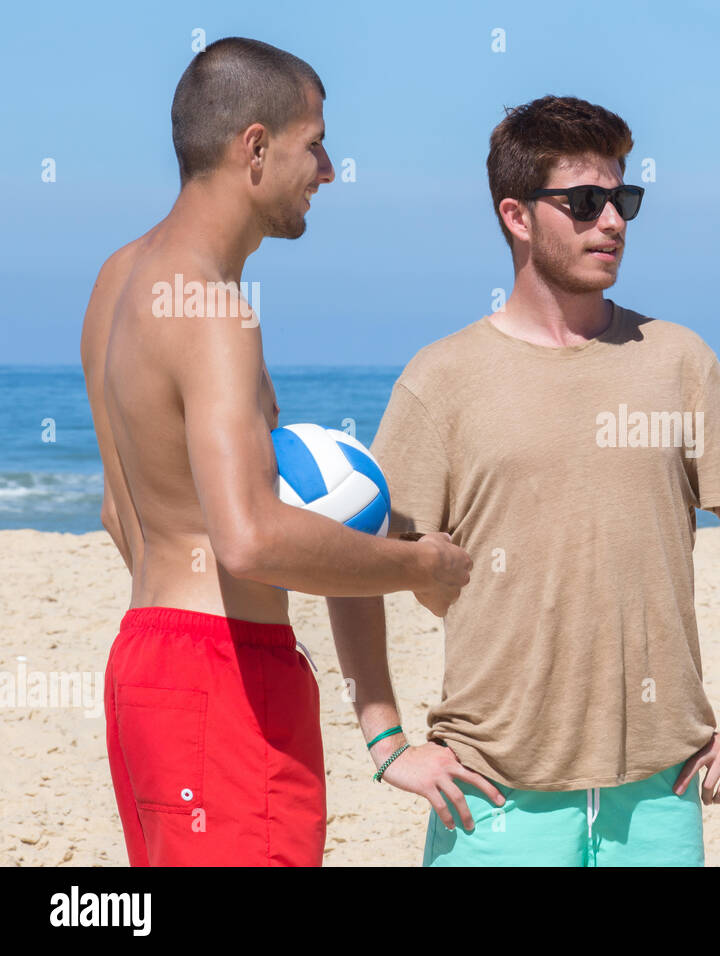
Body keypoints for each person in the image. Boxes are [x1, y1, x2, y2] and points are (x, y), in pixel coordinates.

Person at [327, 95, 720, 866]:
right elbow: (356, 569)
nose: (611, 221)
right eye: (584, 202)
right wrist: (385, 740)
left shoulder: (678, 360)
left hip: (659, 790)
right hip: (491, 795)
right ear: (516, 215)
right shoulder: (440, 380)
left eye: (623, 200)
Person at [80, 37, 471, 866]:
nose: (326, 171)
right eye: (315, 144)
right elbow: (250, 538)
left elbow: (121, 510)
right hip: (225, 674)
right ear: (255, 148)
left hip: (144, 661)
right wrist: (417, 567)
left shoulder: (116, 280)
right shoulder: (218, 313)